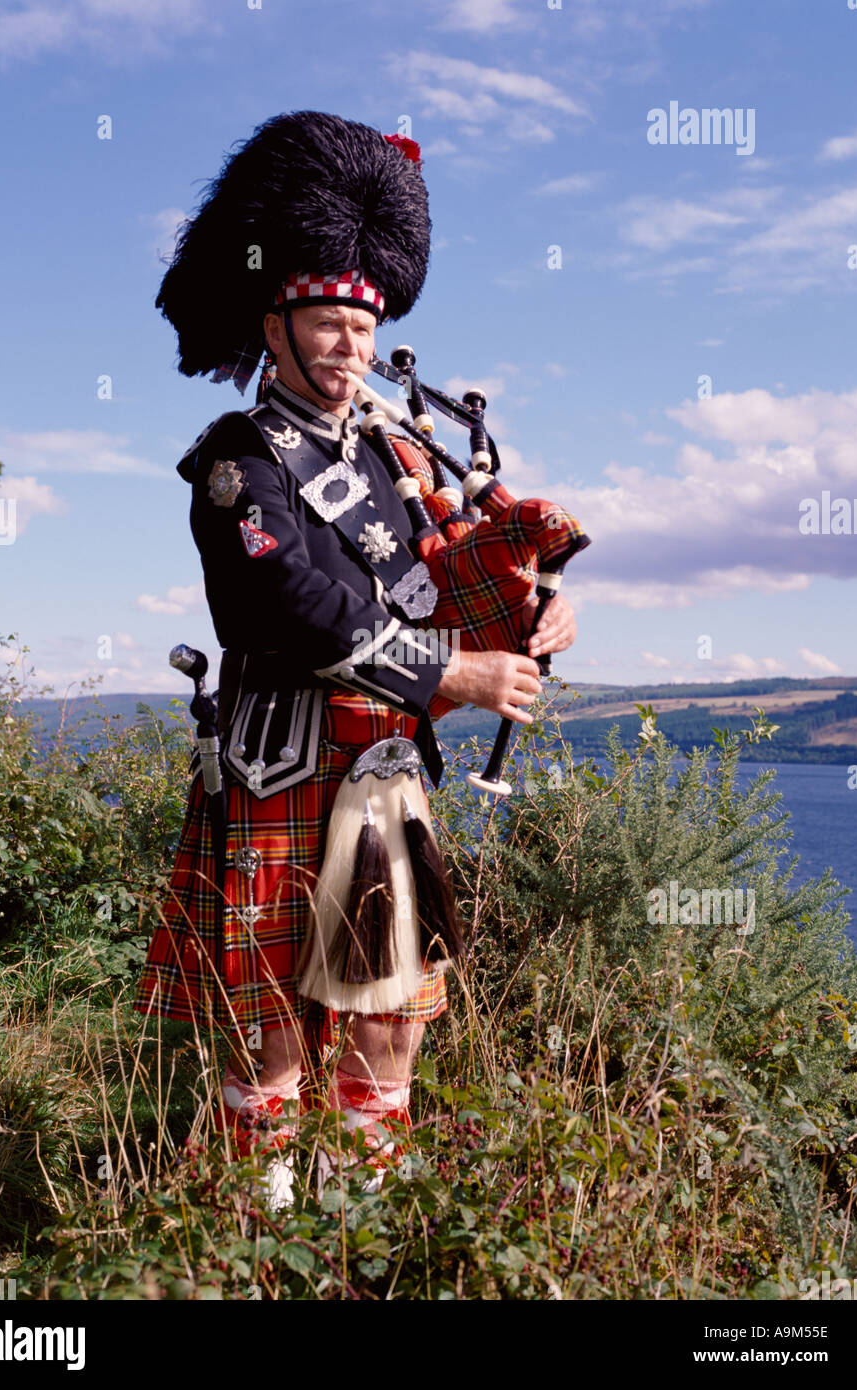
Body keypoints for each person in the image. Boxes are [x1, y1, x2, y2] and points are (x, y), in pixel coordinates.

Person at [133, 111, 576, 1198]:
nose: (350, 351)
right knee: (271, 1037)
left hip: (382, 781)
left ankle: (361, 1234)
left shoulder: (391, 453)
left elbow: (446, 567)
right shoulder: (237, 462)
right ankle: (253, 1244)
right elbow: (284, 601)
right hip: (281, 766)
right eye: (327, 326)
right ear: (272, 326)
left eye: (362, 330)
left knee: (387, 1031)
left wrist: (529, 614)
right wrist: (448, 677)